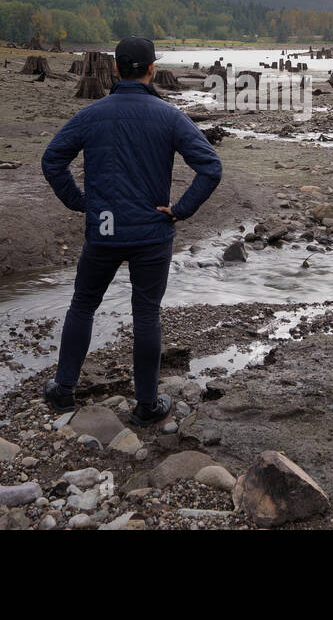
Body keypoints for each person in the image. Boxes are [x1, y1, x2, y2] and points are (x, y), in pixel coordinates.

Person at [41, 37, 222, 425]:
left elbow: (52, 159)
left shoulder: (92, 115)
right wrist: (181, 210)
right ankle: (146, 405)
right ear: (151, 69)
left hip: (103, 231)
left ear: (117, 70)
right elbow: (211, 166)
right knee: (146, 314)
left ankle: (63, 392)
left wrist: (79, 201)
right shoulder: (169, 116)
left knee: (83, 305)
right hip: (153, 234)